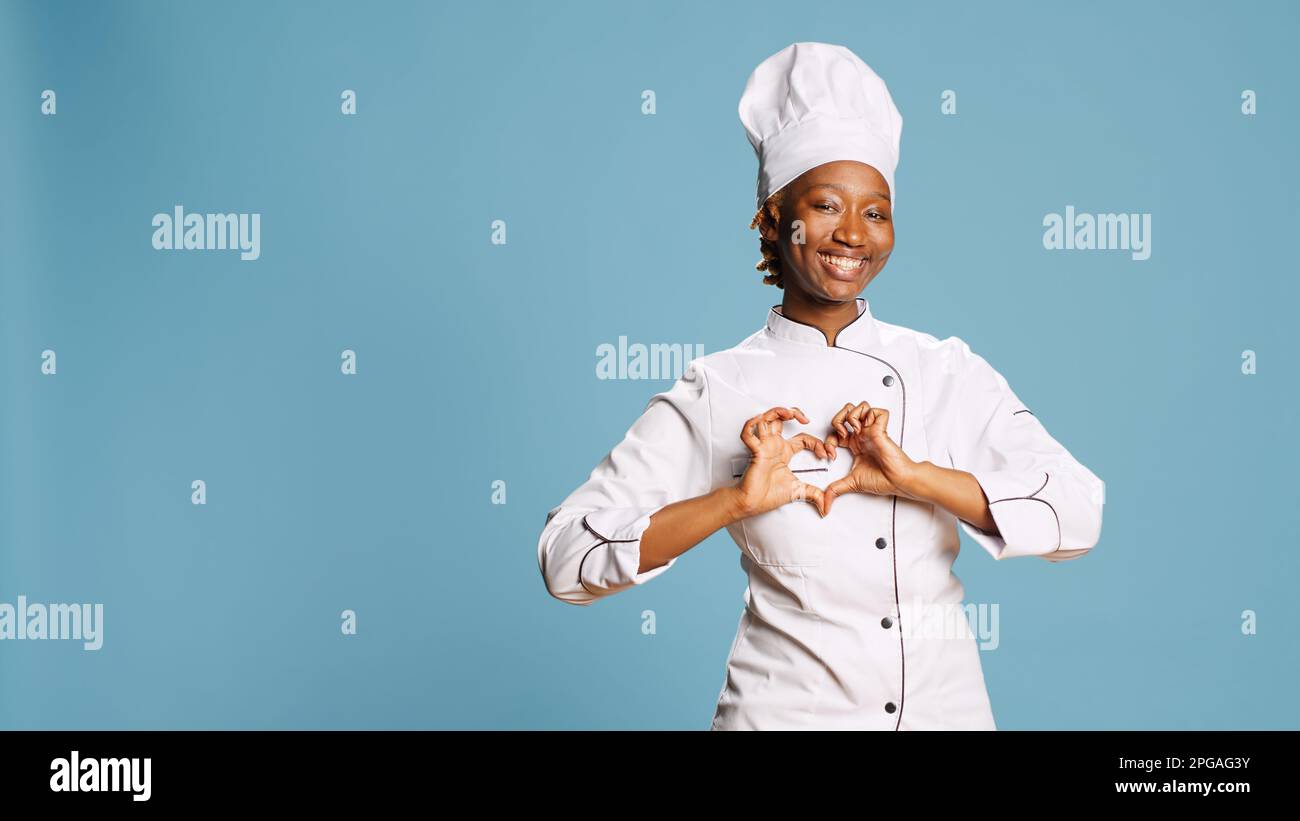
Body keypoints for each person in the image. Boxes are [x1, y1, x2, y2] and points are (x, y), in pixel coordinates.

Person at [536, 42, 1105, 730]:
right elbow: (568, 558)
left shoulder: (943, 369)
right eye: (828, 204)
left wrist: (917, 477)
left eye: (876, 211)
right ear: (776, 219)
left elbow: (1079, 511)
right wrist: (731, 500)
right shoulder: (720, 386)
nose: (853, 234)